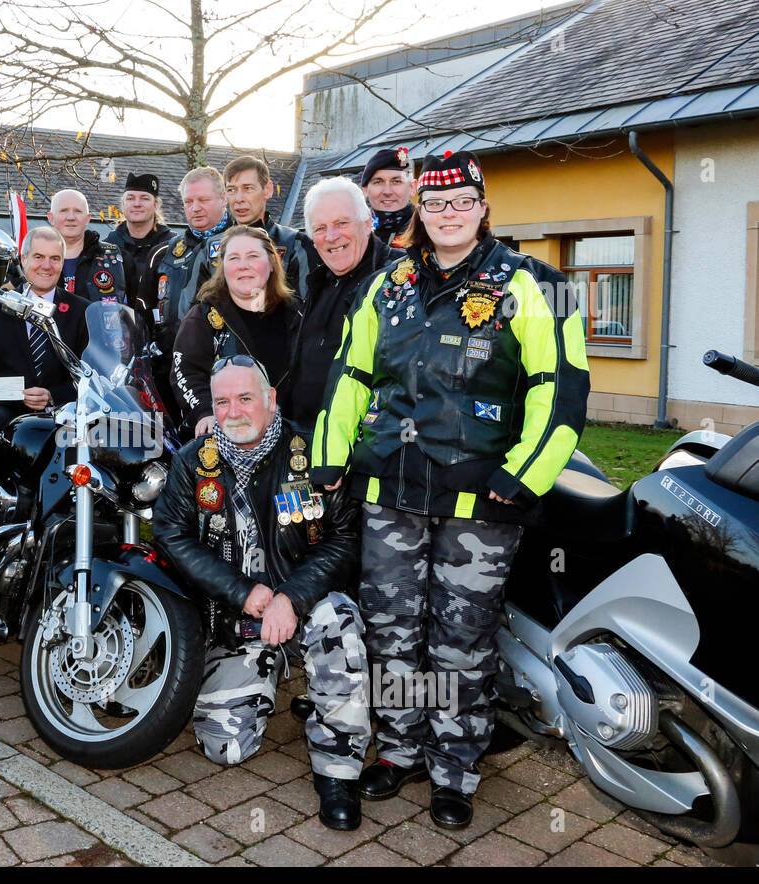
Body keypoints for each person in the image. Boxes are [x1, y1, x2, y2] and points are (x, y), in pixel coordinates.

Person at [312, 150, 590, 829]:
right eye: (435, 205)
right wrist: (329, 456)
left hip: (481, 505)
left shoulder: (536, 284)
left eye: (461, 203)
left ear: (483, 206)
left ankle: (453, 769)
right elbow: (351, 375)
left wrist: (523, 476)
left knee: (461, 642)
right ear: (419, 211)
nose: (448, 215)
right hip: (393, 497)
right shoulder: (388, 285)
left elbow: (562, 393)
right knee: (394, 632)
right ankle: (401, 748)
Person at [152, 356, 369, 830]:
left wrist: (290, 597)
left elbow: (347, 538)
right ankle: (266, 676)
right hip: (235, 616)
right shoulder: (194, 461)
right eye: (222, 401)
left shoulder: (313, 452)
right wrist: (241, 591)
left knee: (341, 622)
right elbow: (169, 531)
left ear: (271, 400)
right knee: (225, 748)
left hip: (306, 606)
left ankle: (338, 769)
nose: (233, 412)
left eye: (245, 398)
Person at [0, 226, 89, 566]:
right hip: (6, 412)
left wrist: (53, 396)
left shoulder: (82, 311)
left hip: (62, 413)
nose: (46, 265)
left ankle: (70, 540)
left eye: (55, 258)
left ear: (63, 263)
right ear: (23, 260)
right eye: (38, 257)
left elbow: (89, 378)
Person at [285, 176, 402, 430]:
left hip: (368, 449)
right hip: (304, 442)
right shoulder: (315, 282)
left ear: (367, 222)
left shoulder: (401, 278)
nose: (331, 236)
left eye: (341, 223)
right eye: (319, 228)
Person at [171, 225, 299, 435]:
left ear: (272, 263)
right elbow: (184, 370)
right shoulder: (204, 316)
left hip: (289, 437)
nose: (243, 266)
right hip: (227, 432)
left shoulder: (297, 313)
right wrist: (204, 412)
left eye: (252, 256)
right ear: (223, 268)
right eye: (233, 258)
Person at [210, 155, 319, 301]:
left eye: (248, 188)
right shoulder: (209, 248)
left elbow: (308, 309)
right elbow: (192, 310)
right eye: (231, 190)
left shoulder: (295, 244)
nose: (238, 198)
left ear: (268, 190)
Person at [152, 166, 232, 360]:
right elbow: (145, 311)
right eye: (188, 201)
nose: (195, 208)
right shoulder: (164, 252)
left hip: (222, 365)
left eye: (203, 200)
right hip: (168, 364)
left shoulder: (242, 245)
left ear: (223, 199)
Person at [5, 189, 126, 305]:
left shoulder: (113, 257)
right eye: (63, 211)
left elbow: (130, 310)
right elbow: (7, 301)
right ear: (50, 217)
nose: (71, 217)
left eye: (78, 211)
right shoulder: (26, 261)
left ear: (88, 218)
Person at [107, 172, 176, 317]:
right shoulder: (108, 246)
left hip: (161, 331)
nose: (137, 204)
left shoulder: (172, 247)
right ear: (123, 204)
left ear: (156, 204)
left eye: (144, 198)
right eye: (130, 198)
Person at [359, 146, 416, 246]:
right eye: (378, 182)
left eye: (396, 181)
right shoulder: (356, 235)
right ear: (365, 190)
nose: (387, 191)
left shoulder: (428, 233)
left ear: (412, 188)